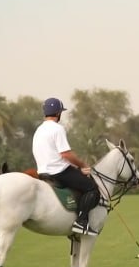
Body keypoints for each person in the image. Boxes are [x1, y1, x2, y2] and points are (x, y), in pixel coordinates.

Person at [32, 97, 100, 236]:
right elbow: (66, 155)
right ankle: (81, 222)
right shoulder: (58, 129)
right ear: (58, 113)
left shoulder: (39, 130)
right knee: (92, 188)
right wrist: (82, 165)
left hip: (42, 171)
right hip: (59, 171)